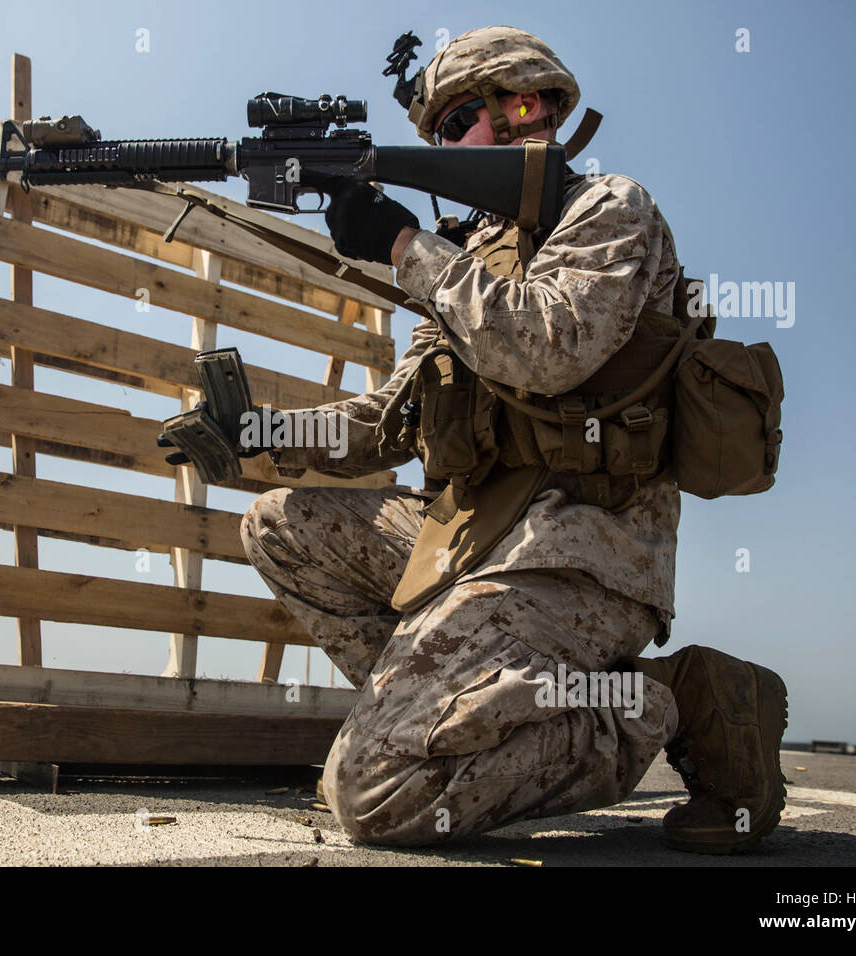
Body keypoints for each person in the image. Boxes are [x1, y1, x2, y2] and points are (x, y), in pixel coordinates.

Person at [175, 26, 787, 852]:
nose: (443, 148)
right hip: (473, 545)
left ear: (523, 106)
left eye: (456, 122)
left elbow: (546, 346)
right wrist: (258, 431)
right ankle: (472, 708)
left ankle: (658, 702)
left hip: (579, 559)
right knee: (280, 524)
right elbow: (388, 422)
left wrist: (403, 245)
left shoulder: (610, 210)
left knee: (374, 800)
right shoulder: (473, 260)